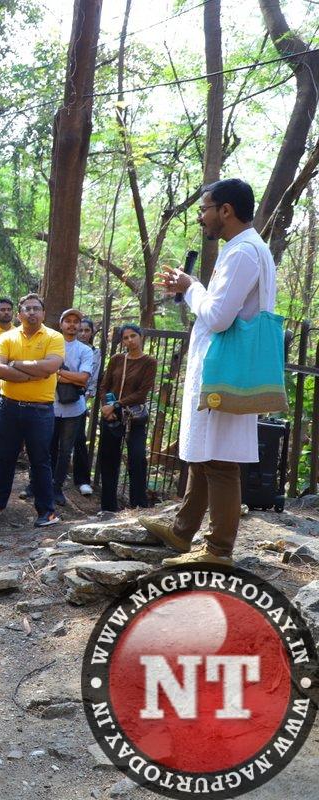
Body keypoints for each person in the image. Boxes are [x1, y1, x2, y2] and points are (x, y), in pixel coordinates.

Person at [141, 178, 277, 566]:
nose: (201, 217)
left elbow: (218, 317)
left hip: (227, 369)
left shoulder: (244, 253)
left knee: (220, 461)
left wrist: (191, 286)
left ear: (226, 210)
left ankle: (218, 550)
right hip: (223, 366)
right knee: (205, 455)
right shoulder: (243, 249)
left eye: (205, 209)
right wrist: (191, 289)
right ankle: (183, 530)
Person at [0, 293, 65, 527]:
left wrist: (15, 365)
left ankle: (46, 511)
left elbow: (52, 366)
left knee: (40, 460)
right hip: (8, 408)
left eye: (36, 308)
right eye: (27, 309)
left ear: (43, 313)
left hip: (40, 411)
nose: (31, 312)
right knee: (4, 458)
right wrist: (33, 374)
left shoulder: (54, 337)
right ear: (19, 314)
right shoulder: (7, 338)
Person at [98, 325, 157, 512]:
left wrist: (116, 405)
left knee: (137, 458)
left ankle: (138, 506)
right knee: (108, 460)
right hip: (112, 417)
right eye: (126, 338)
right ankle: (108, 508)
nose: (130, 340)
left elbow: (142, 393)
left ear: (141, 337)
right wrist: (107, 407)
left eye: (133, 336)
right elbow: (104, 385)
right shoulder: (117, 359)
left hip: (134, 418)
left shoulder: (149, 362)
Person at [49, 308, 94, 506]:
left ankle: (57, 488)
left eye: (76, 321)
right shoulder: (51, 345)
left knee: (65, 450)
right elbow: (44, 371)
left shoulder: (85, 350)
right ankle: (39, 485)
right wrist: (69, 376)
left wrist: (58, 373)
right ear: (61, 324)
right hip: (48, 404)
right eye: (68, 320)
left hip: (74, 408)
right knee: (45, 447)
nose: (72, 324)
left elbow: (83, 378)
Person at [73, 317, 100, 495]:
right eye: (80, 330)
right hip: (57, 398)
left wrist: (88, 392)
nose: (83, 334)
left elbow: (93, 377)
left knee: (79, 439)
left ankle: (82, 479)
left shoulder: (95, 352)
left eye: (86, 330)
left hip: (80, 397)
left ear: (92, 333)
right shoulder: (64, 346)